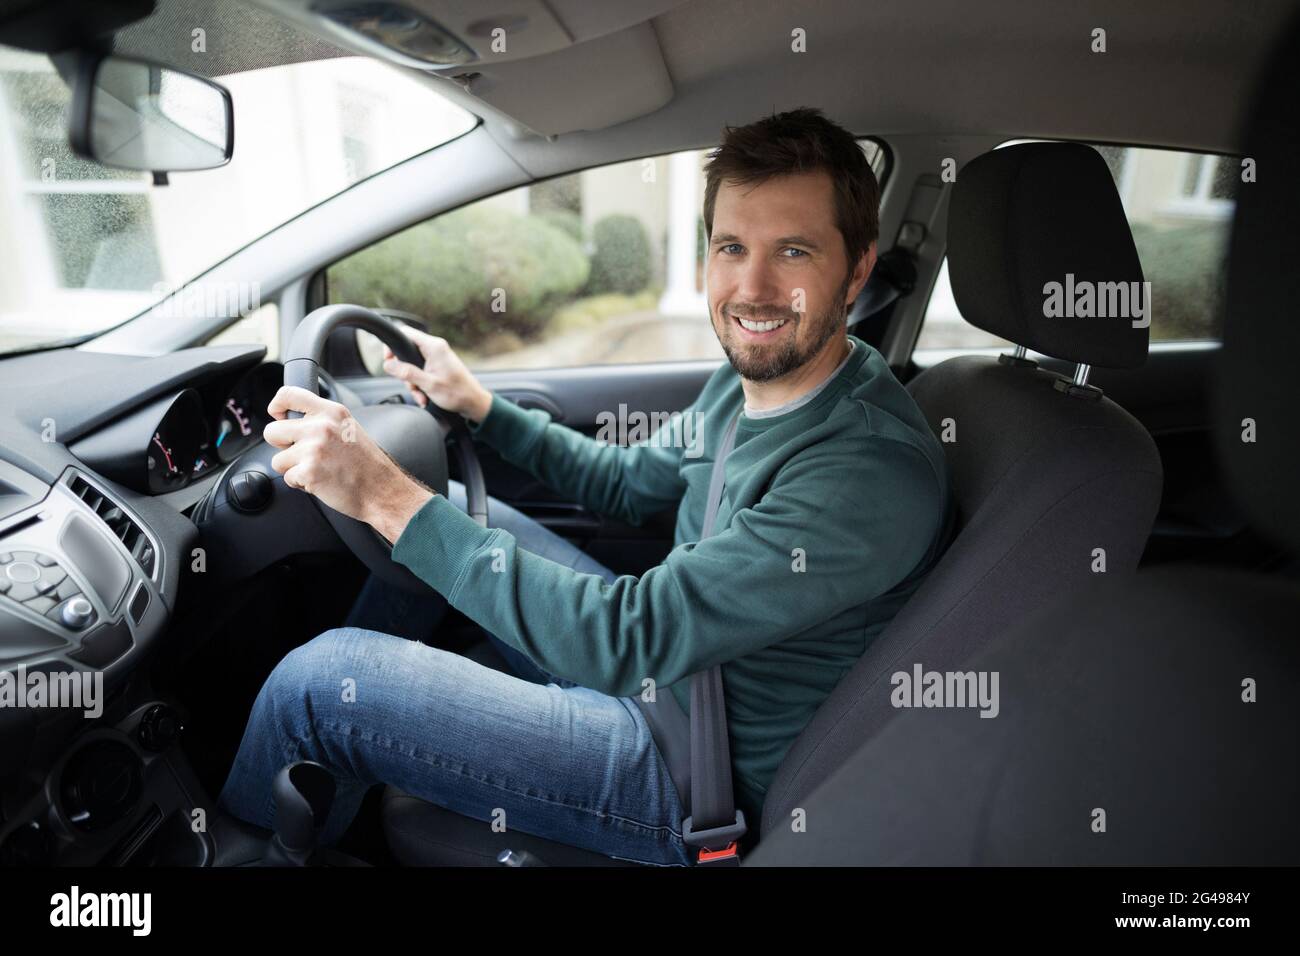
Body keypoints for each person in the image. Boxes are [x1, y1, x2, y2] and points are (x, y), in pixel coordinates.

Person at [217, 107, 953, 866]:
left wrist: (383, 495)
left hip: (690, 774)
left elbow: (627, 636)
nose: (752, 287)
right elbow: (630, 485)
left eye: (792, 251)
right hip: (671, 674)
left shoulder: (865, 471)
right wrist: (481, 408)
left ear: (857, 267)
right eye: (731, 247)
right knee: (473, 515)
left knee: (318, 682)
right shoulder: (747, 385)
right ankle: (366, 766)